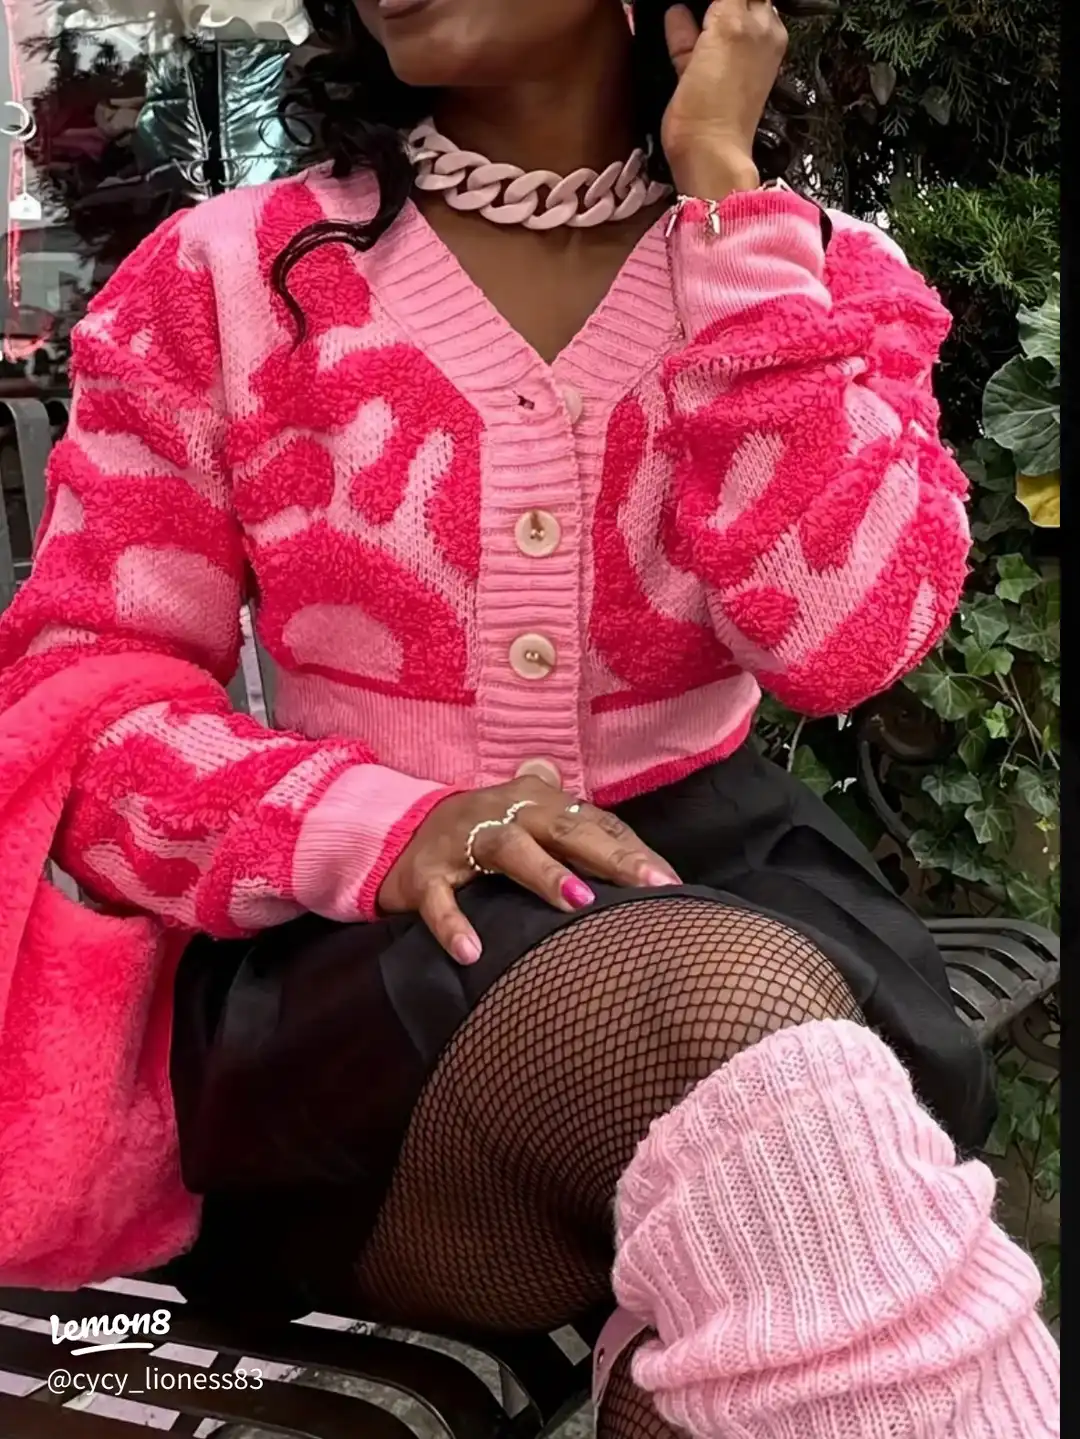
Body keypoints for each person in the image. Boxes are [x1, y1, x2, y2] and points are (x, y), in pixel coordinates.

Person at [0, 2, 1058, 1435]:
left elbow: (842, 641)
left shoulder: (815, 274)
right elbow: (84, 705)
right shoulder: (226, 280)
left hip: (722, 880)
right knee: (754, 1074)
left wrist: (728, 211)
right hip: (365, 979)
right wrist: (377, 823)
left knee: (762, 1240)